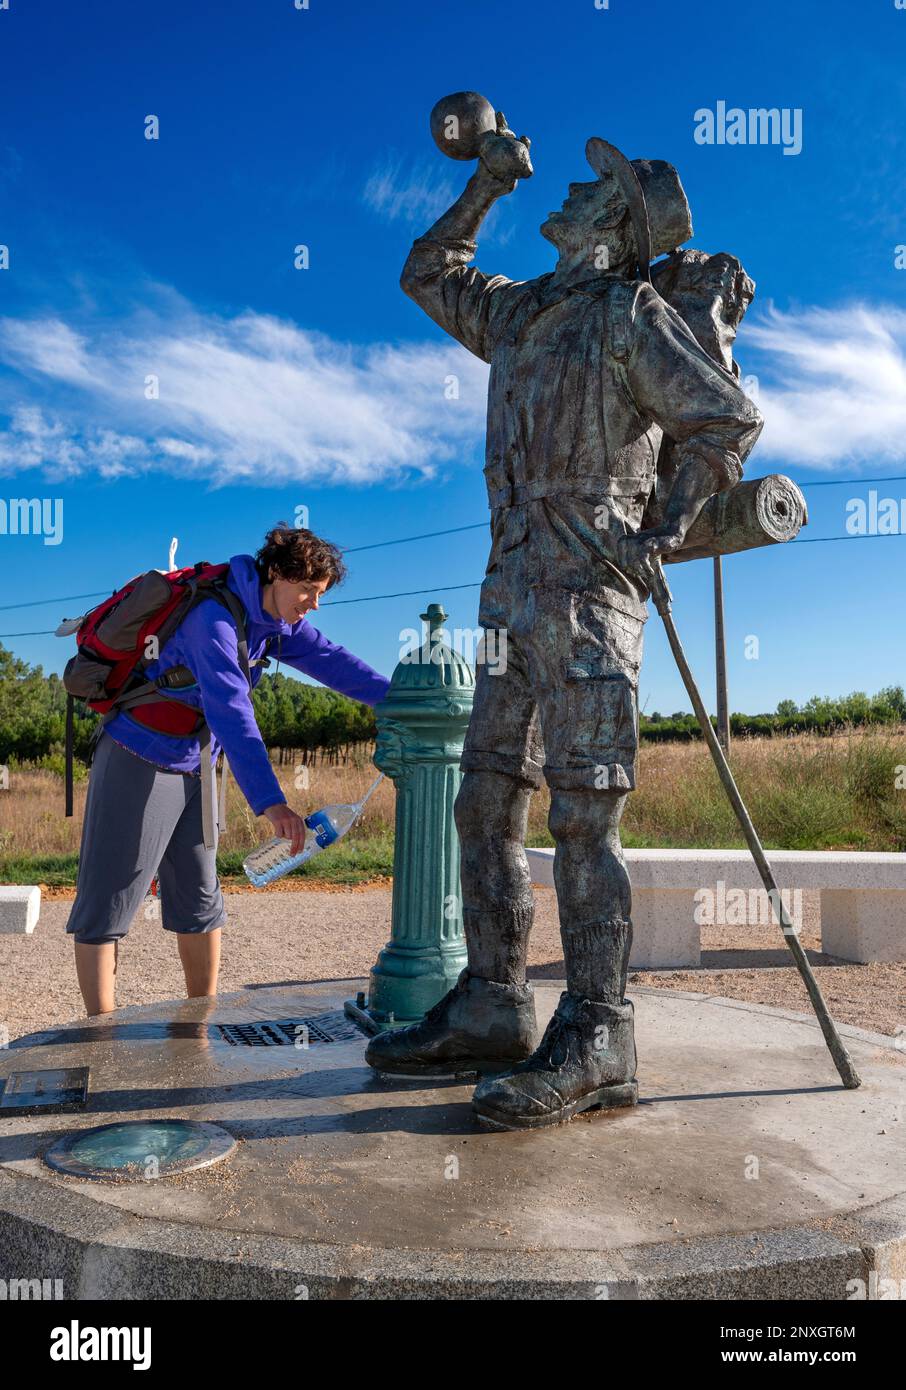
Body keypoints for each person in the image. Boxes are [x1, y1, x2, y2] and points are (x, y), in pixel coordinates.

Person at [365, 118, 763, 1129]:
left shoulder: (630, 312)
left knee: (584, 815)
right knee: (483, 802)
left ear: (618, 221)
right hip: (509, 594)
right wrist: (486, 185)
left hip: (591, 599)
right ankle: (496, 1000)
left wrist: (660, 529)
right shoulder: (522, 312)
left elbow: (725, 418)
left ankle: (599, 1032)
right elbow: (426, 269)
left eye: (596, 190)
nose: (574, 194)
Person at [66, 524, 391, 1016]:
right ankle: (99, 1035)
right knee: (109, 898)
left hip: (196, 765)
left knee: (199, 898)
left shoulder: (277, 625)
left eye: (320, 594)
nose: (313, 604)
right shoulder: (212, 620)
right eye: (308, 590)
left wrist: (403, 700)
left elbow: (333, 661)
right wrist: (272, 803)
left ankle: (201, 1020)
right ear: (277, 574)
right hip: (138, 753)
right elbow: (232, 712)